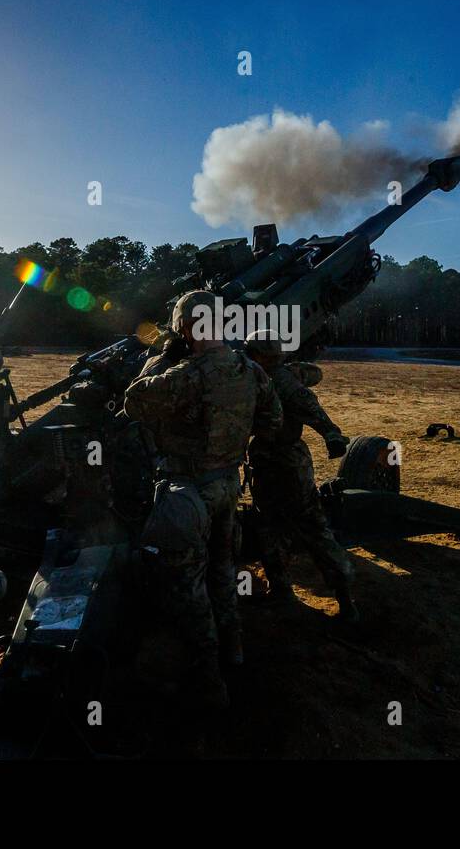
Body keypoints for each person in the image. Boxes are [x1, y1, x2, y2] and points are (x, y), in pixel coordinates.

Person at [123, 291, 281, 709]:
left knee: (189, 585)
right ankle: (235, 651)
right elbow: (274, 420)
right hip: (228, 484)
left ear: (187, 326)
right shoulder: (250, 369)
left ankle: (210, 684)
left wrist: (159, 361)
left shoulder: (185, 374)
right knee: (223, 570)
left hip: (185, 491)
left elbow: (133, 402)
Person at [243, 330, 359, 623]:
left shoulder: (271, 381)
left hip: (277, 462)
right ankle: (341, 598)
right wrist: (330, 434)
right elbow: (312, 387)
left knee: (283, 526)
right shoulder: (284, 376)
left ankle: (295, 591)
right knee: (304, 527)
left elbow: (311, 407)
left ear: (257, 354)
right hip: (284, 460)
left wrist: (331, 433)